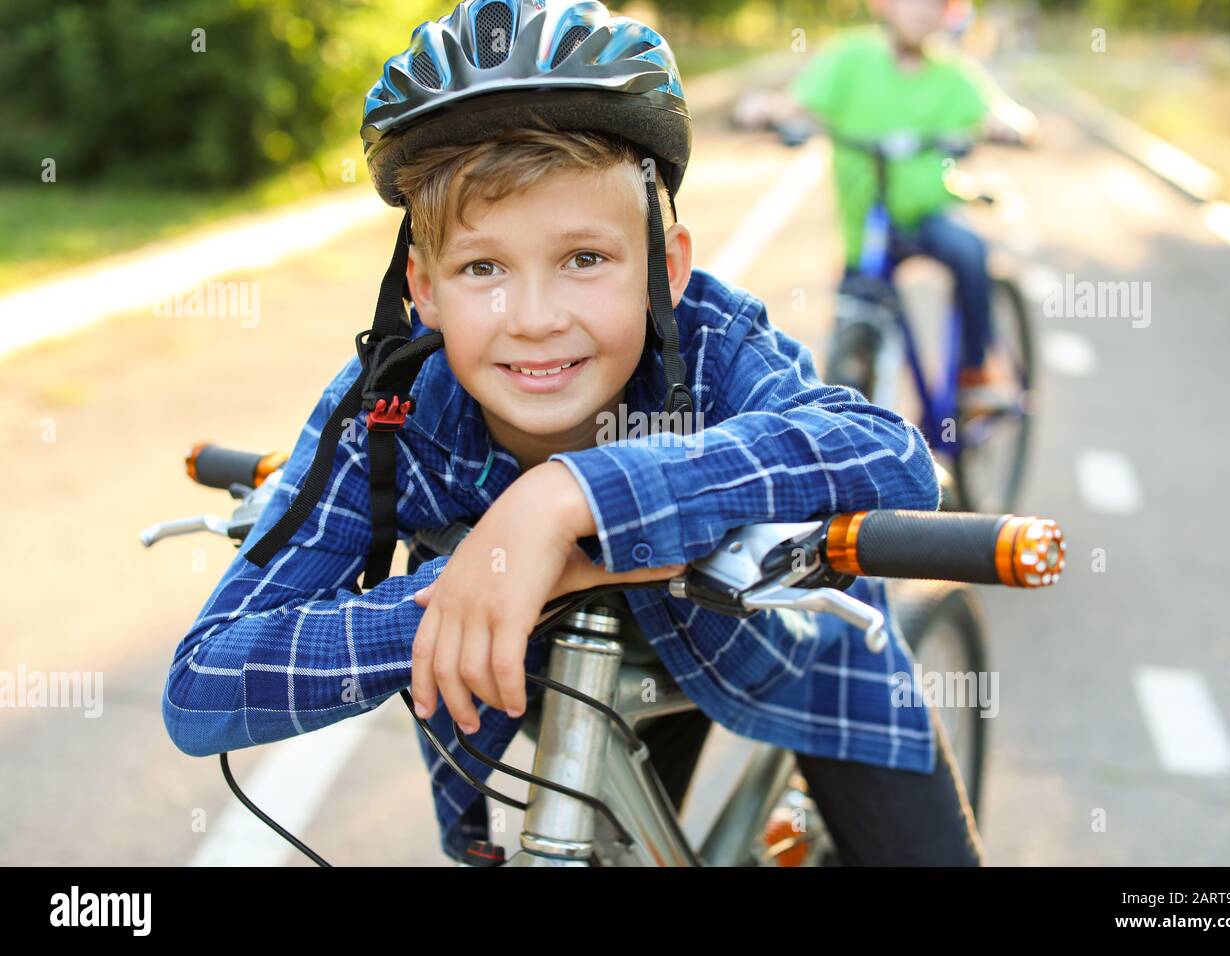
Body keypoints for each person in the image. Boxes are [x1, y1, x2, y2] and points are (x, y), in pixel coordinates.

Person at [161, 0, 982, 866]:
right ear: (424, 289)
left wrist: (567, 499)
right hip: (585, 694)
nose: (536, 319)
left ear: (666, 266)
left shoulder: (707, 342)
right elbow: (203, 687)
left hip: (798, 657)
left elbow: (890, 457)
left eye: (585, 259)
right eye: (483, 268)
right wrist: (479, 589)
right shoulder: (395, 404)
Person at [783, 0, 1038, 402]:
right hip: (867, 229)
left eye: (937, 3)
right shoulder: (850, 57)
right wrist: (763, 110)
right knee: (852, 321)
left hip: (928, 214)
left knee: (970, 251)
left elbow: (994, 111)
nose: (923, 8)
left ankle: (974, 373)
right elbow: (794, 103)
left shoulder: (952, 72)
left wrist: (1013, 125)